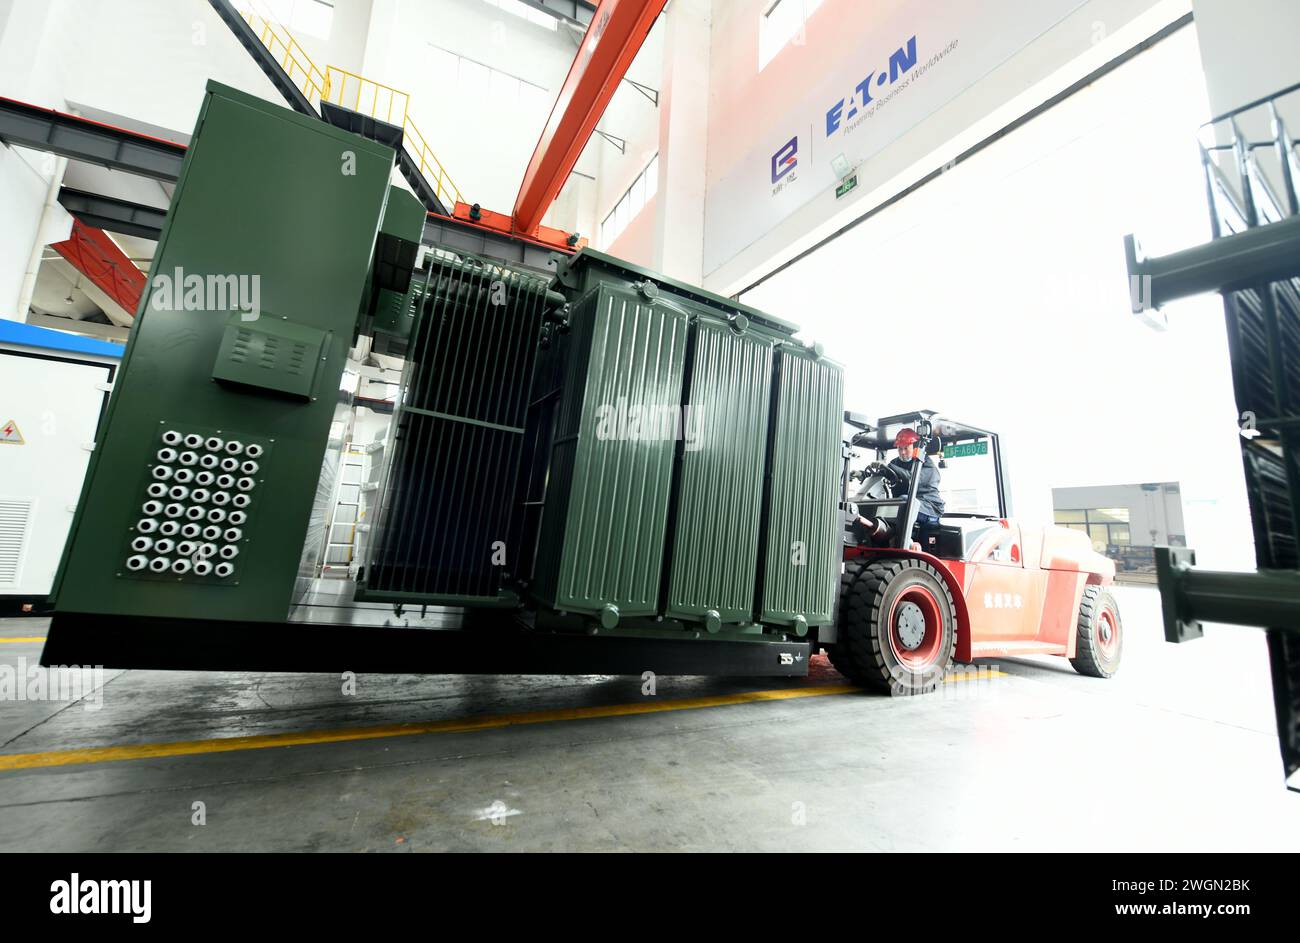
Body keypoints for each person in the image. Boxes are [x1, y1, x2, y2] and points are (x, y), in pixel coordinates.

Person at [885, 427, 945, 525]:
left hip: (929, 507)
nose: (902, 452)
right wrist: (863, 474)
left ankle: (906, 540)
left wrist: (889, 467)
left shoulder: (925, 463)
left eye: (906, 448)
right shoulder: (895, 463)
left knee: (904, 501)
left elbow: (911, 478)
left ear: (915, 447)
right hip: (907, 504)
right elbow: (882, 473)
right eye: (900, 448)